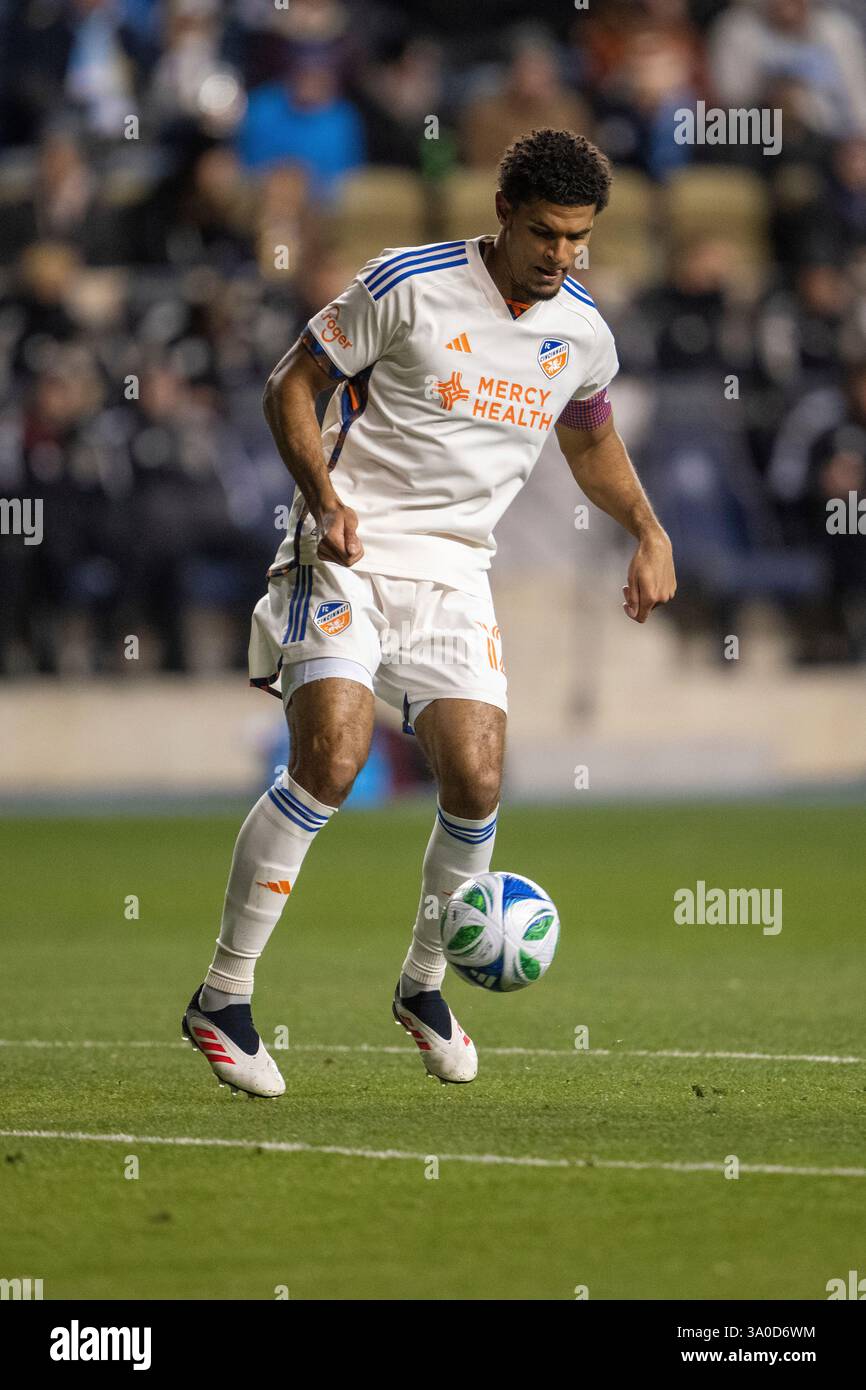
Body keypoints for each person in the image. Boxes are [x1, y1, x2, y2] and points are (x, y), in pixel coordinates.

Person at [182, 127, 676, 1096]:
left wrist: (647, 530)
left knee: (478, 779)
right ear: (502, 213)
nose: (561, 255)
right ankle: (223, 996)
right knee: (330, 757)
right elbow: (292, 384)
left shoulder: (578, 330)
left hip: (455, 572)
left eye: (578, 238)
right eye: (544, 233)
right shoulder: (405, 283)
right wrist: (324, 498)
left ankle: (419, 984)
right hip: (346, 550)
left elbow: (588, 441)